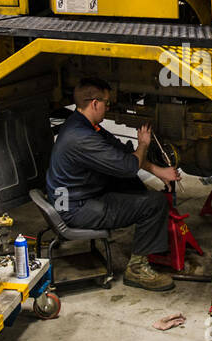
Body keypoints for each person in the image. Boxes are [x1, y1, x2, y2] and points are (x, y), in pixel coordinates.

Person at [46, 78, 195, 293]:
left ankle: (151, 240)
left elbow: (120, 154)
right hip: (76, 208)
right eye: (106, 103)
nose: (109, 107)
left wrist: (159, 171)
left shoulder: (81, 124)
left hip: (74, 195)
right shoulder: (82, 138)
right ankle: (137, 269)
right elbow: (127, 165)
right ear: (95, 103)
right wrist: (143, 144)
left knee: (131, 182)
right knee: (154, 203)